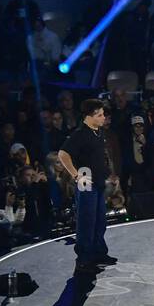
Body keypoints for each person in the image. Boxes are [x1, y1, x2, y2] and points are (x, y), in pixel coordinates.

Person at [58, 99, 115, 274]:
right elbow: (63, 154)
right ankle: (83, 259)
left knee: (100, 220)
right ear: (89, 116)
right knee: (86, 221)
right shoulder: (80, 134)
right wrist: (76, 175)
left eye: (103, 114)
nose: (103, 117)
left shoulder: (98, 132)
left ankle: (98, 252)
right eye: (99, 115)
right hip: (85, 179)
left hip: (97, 181)